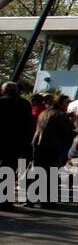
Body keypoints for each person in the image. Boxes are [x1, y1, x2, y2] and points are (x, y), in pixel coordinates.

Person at [30, 94, 75, 208]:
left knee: (37, 172)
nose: (67, 105)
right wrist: (72, 123)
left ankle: (31, 198)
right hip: (53, 148)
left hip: (39, 145)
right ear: (59, 103)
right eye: (66, 103)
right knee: (51, 174)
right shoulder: (60, 115)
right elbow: (67, 133)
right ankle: (47, 201)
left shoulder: (44, 113)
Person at [0, 82, 35, 210]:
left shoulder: (1, 102)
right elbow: (30, 125)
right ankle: (6, 201)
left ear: (3, 90)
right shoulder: (25, 104)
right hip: (17, 143)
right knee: (9, 170)